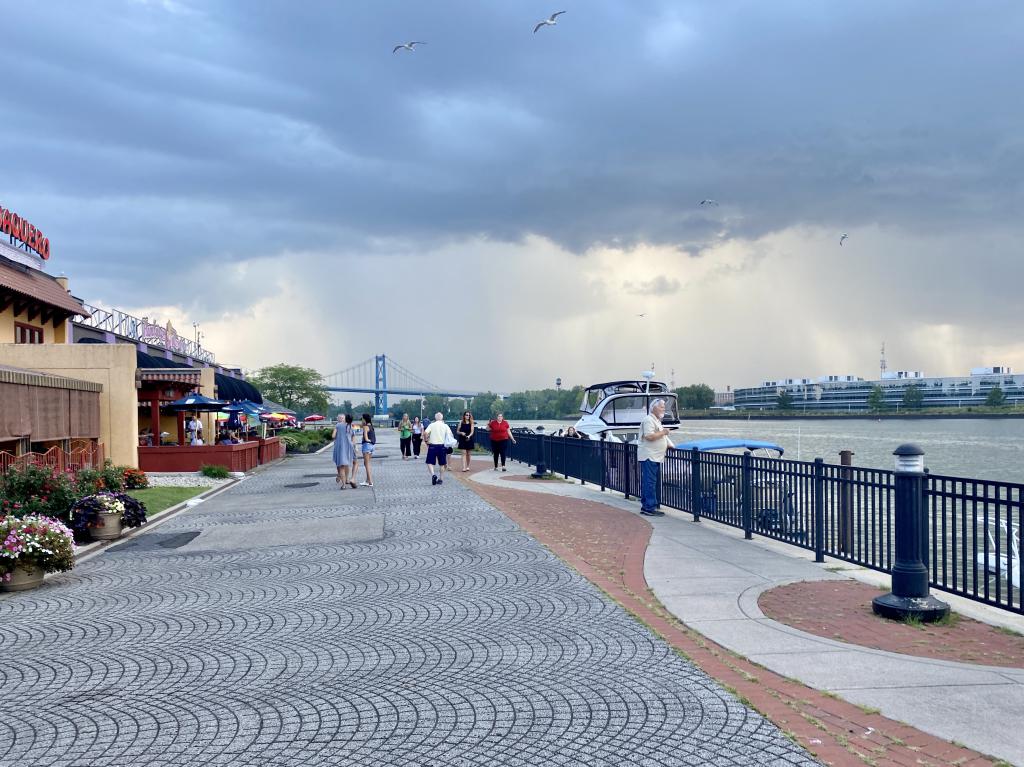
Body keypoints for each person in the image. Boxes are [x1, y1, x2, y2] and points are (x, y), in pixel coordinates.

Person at [638, 398, 673, 517]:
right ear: (654, 408)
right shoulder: (649, 420)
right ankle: (649, 507)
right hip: (650, 456)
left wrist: (669, 444)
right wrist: (664, 432)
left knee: (649, 482)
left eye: (664, 407)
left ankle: (646, 506)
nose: (663, 409)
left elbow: (660, 437)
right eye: (661, 407)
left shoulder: (656, 421)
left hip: (655, 456)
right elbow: (649, 436)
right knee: (650, 482)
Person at [423, 411, 454, 486]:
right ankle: (441, 479)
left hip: (432, 446)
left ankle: (433, 475)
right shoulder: (445, 426)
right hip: (442, 446)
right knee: (442, 464)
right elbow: (450, 435)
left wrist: (426, 441)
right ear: (442, 418)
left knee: (429, 462)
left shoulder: (432, 425)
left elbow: (425, 433)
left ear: (435, 418)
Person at [332, 414, 356, 488]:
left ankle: (343, 485)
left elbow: (333, 436)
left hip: (340, 447)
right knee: (347, 464)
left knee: (341, 466)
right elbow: (353, 437)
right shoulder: (350, 426)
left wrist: (338, 437)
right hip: (349, 447)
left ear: (345, 418)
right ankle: (347, 479)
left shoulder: (338, 425)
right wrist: (355, 447)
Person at [358, 413, 376, 487]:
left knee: (367, 464)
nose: (361, 420)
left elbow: (366, 438)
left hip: (366, 446)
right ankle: (367, 480)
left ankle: (370, 482)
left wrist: (368, 440)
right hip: (372, 446)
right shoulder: (371, 426)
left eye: (362, 419)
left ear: (364, 419)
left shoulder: (365, 427)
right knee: (366, 463)